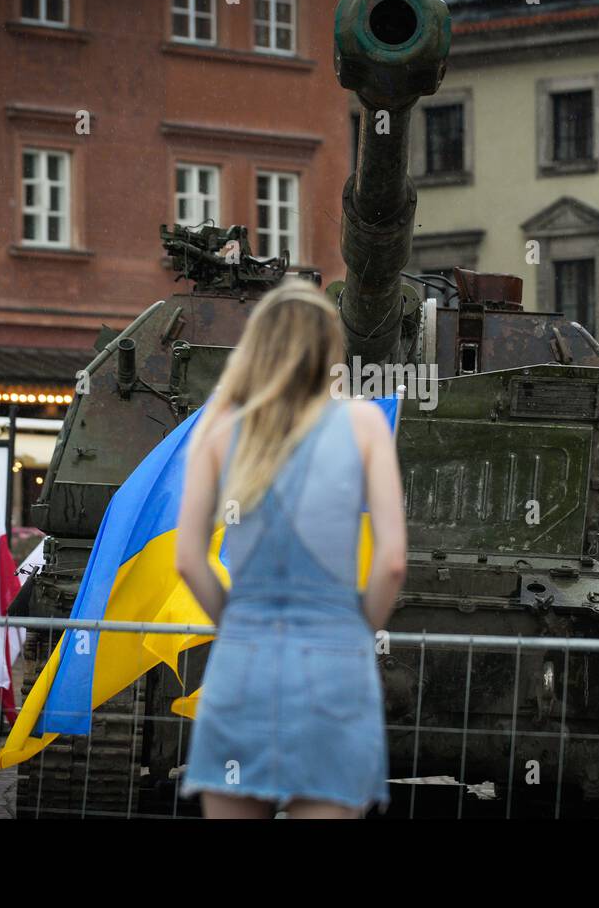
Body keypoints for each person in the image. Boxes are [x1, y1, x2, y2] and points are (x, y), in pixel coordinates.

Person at [175, 279, 408, 819]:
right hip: (334, 669)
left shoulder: (219, 428)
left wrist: (236, 621)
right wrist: (354, 630)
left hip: (243, 666)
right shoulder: (364, 423)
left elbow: (189, 558)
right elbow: (392, 563)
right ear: (331, 348)